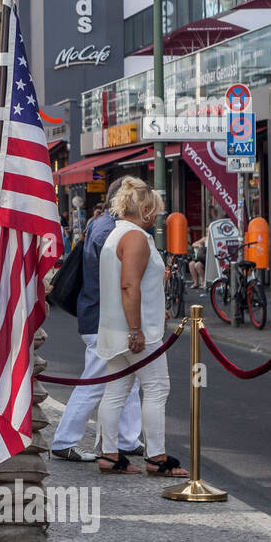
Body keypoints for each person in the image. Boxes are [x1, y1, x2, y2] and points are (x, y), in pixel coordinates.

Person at [48, 176, 146, 462]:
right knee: (97, 381)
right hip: (105, 317)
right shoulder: (113, 231)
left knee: (125, 378)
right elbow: (123, 282)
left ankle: (127, 439)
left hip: (96, 314)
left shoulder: (99, 225)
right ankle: (64, 440)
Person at [95, 178, 187, 477]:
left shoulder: (115, 234)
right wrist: (136, 328)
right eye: (156, 211)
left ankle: (109, 455)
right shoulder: (135, 237)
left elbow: (128, 285)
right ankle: (156, 457)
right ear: (145, 209)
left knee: (115, 391)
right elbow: (129, 285)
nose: (158, 216)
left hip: (112, 326)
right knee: (157, 389)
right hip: (137, 331)